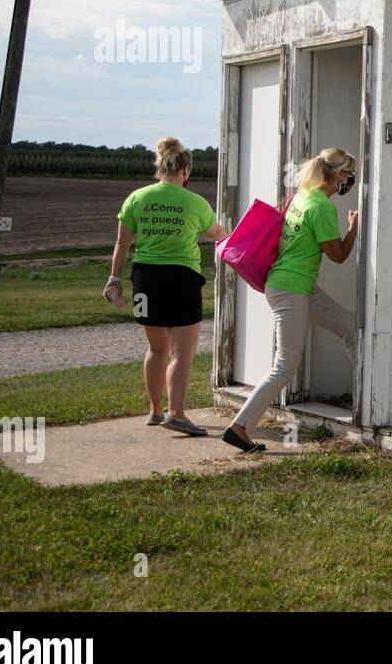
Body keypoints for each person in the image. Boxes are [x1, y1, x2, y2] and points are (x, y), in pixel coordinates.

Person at [223, 147, 359, 452]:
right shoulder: (321, 206)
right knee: (285, 365)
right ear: (337, 175)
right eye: (348, 175)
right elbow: (337, 255)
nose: (349, 182)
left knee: (351, 327)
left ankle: (367, 395)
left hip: (296, 287)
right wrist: (353, 229)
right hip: (291, 290)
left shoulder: (302, 195)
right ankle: (239, 427)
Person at [106, 137, 225, 435]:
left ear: (160, 167)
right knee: (183, 352)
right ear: (185, 169)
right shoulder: (195, 202)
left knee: (157, 349)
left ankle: (155, 411)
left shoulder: (137, 198)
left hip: (145, 278)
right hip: (181, 278)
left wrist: (115, 279)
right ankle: (178, 414)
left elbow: (122, 242)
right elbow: (216, 233)